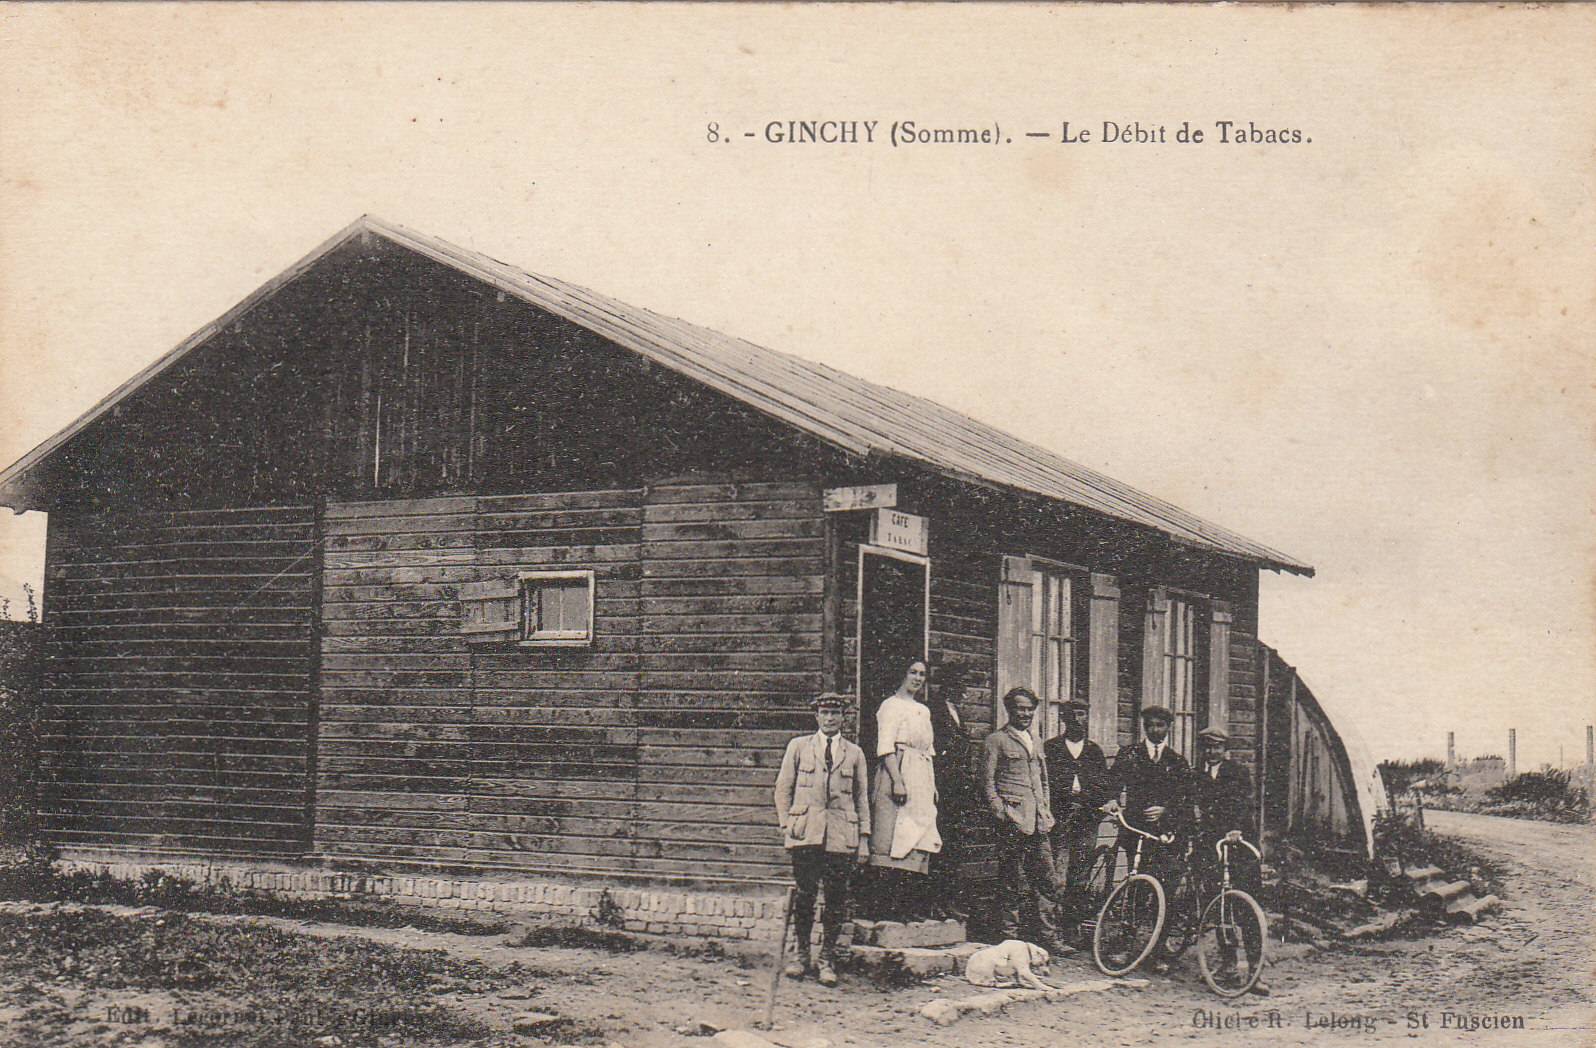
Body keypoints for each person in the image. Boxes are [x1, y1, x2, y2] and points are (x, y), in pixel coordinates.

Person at [774, 692, 871, 986]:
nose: (829, 718)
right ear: (816, 716)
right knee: (804, 895)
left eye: (835, 713)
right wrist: (786, 823)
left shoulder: (854, 753)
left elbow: (862, 798)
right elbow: (783, 789)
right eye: (824, 713)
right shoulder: (799, 747)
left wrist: (864, 838)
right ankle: (801, 955)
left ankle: (827, 958)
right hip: (806, 833)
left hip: (841, 835)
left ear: (844, 717)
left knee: (836, 898)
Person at [981, 687, 1069, 955]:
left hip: (1038, 822)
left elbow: (1043, 781)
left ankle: (1049, 938)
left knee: (1047, 879)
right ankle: (1009, 938)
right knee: (1011, 879)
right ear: (1010, 710)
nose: (1026, 714)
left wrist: (1046, 810)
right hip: (1012, 820)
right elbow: (986, 783)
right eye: (1021, 708)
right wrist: (1001, 812)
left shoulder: (1036, 740)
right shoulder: (996, 740)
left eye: (1030, 709)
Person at [1191, 726, 1268, 995]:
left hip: (1239, 848)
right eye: (1208, 748)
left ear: (1226, 750)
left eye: (1217, 748)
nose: (1212, 752)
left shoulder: (1237, 772)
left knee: (1246, 910)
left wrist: (1235, 829)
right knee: (1220, 907)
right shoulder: (1197, 775)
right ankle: (1228, 965)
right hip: (1212, 849)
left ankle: (1255, 971)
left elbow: (1243, 803)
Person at [868, 658, 941, 920]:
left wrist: (931, 786)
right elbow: (885, 747)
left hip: (920, 774)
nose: (918, 679)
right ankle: (887, 908)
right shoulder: (890, 706)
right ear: (902, 674)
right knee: (893, 837)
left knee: (919, 836)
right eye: (913, 672)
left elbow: (928, 751)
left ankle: (910, 907)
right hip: (897, 771)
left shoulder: (923, 710)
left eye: (922, 674)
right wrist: (898, 781)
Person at [1043, 699, 1111, 938]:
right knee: (1056, 876)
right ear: (1063, 718)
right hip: (1059, 820)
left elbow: (1104, 786)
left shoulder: (1094, 751)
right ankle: (1052, 932)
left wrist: (1095, 810)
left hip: (1086, 821)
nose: (1078, 720)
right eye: (1072, 715)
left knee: (1080, 876)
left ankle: (1073, 929)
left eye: (1082, 714)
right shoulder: (1050, 748)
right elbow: (1043, 784)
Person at [1105, 706, 1193, 880]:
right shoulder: (1130, 754)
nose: (1154, 730)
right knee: (1137, 875)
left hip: (1165, 830)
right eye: (1150, 725)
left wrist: (1166, 810)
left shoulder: (1177, 761)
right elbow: (1114, 780)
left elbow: (1185, 797)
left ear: (1168, 727)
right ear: (1144, 727)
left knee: (1165, 879)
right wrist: (1112, 799)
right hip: (1136, 827)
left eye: (1160, 725)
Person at [927, 662, 974, 920]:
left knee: (953, 844)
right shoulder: (934, 710)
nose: (964, 691)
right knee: (938, 843)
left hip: (957, 788)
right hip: (940, 786)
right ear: (948, 685)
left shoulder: (956, 711)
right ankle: (934, 902)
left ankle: (947, 901)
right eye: (959, 684)